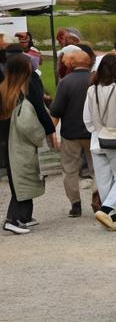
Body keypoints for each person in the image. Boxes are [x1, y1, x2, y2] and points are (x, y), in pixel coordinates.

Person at [84, 53, 116, 232]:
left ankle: (111, 215)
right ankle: (106, 210)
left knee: (104, 180)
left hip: (96, 139)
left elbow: (87, 119)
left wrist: (98, 131)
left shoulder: (92, 90)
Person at [0, 55, 48, 236]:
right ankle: (12, 219)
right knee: (21, 182)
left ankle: (21, 217)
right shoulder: (19, 96)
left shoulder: (4, 91)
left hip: (5, 142)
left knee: (17, 182)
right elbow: (28, 124)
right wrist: (40, 136)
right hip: (17, 144)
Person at [49, 46, 98, 218]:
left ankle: (75, 204)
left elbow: (57, 110)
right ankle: (97, 194)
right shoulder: (96, 79)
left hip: (70, 133)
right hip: (94, 133)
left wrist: (50, 131)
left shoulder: (65, 82)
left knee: (69, 169)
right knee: (97, 167)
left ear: (72, 64)